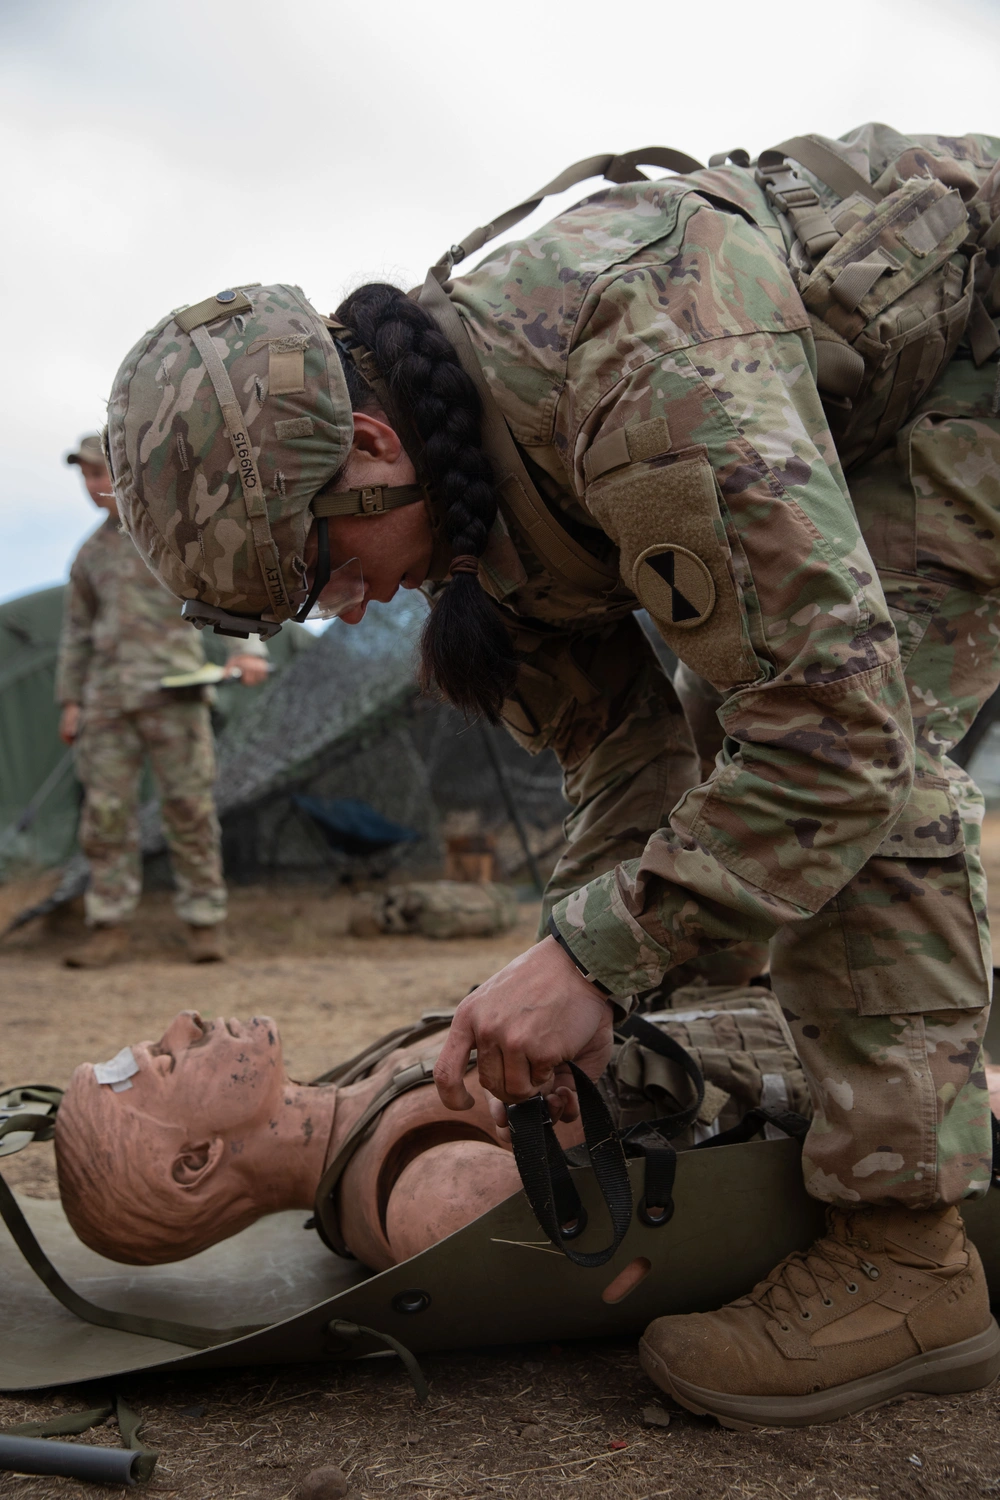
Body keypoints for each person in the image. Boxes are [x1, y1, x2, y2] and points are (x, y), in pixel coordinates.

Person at [104, 124, 1000, 1424]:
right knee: (746, 732)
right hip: (841, 418)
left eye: (326, 568)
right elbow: (621, 761)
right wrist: (599, 999)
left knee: (841, 735)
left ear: (371, 445)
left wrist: (591, 960)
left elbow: (837, 738)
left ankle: (905, 1259)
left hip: (965, 372)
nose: (348, 609)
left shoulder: (639, 371)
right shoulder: (465, 503)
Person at [55, 1007, 530, 1270]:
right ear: (196, 1160)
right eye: (167, 1061)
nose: (186, 1021)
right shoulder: (424, 1191)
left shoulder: (360, 1094)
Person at [57, 435, 269, 966]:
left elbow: (224, 590)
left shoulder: (172, 532)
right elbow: (76, 633)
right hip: (107, 699)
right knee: (106, 815)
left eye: (101, 473)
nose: (95, 485)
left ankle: (205, 921)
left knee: (189, 808)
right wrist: (70, 702)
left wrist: (246, 651)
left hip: (175, 689)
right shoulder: (88, 555)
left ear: (123, 473)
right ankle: (108, 924)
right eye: (86, 476)